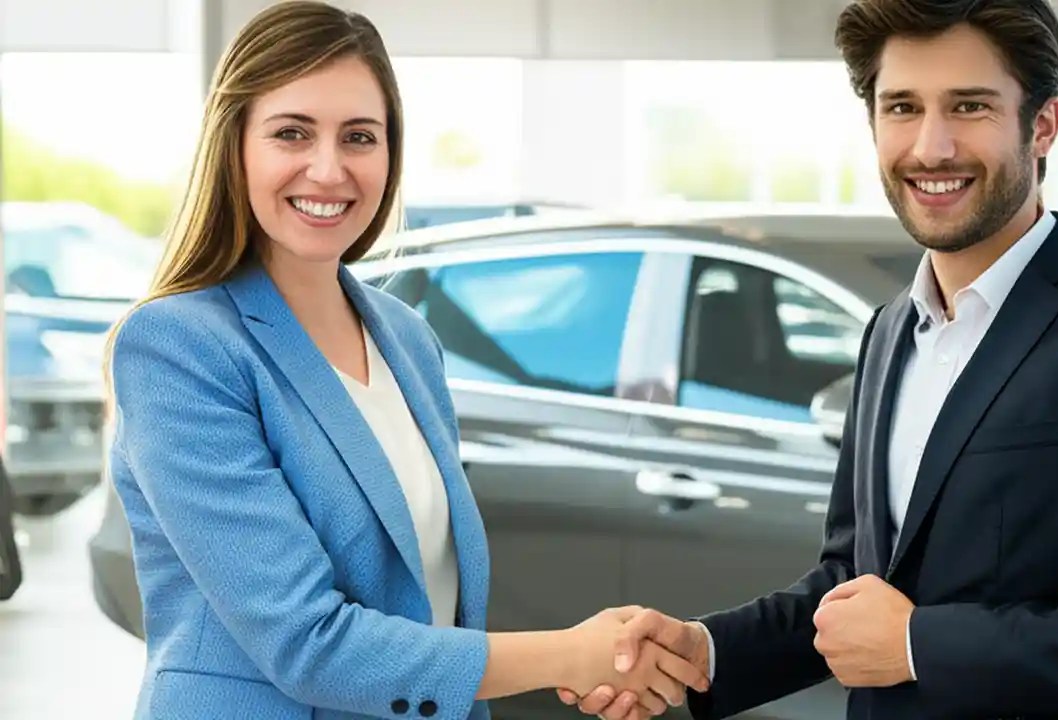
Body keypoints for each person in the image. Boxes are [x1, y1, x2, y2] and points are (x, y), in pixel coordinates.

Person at [561, 1, 1058, 718]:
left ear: (1043, 124)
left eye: (969, 106)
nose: (932, 146)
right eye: (902, 107)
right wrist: (704, 653)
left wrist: (921, 644)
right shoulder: (890, 330)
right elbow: (856, 580)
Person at [104, 3, 708, 719]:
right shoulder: (180, 347)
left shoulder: (406, 338)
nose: (328, 169)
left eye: (360, 136)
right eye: (292, 132)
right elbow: (308, 642)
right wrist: (567, 655)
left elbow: (437, 606)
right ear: (234, 147)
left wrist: (594, 669)